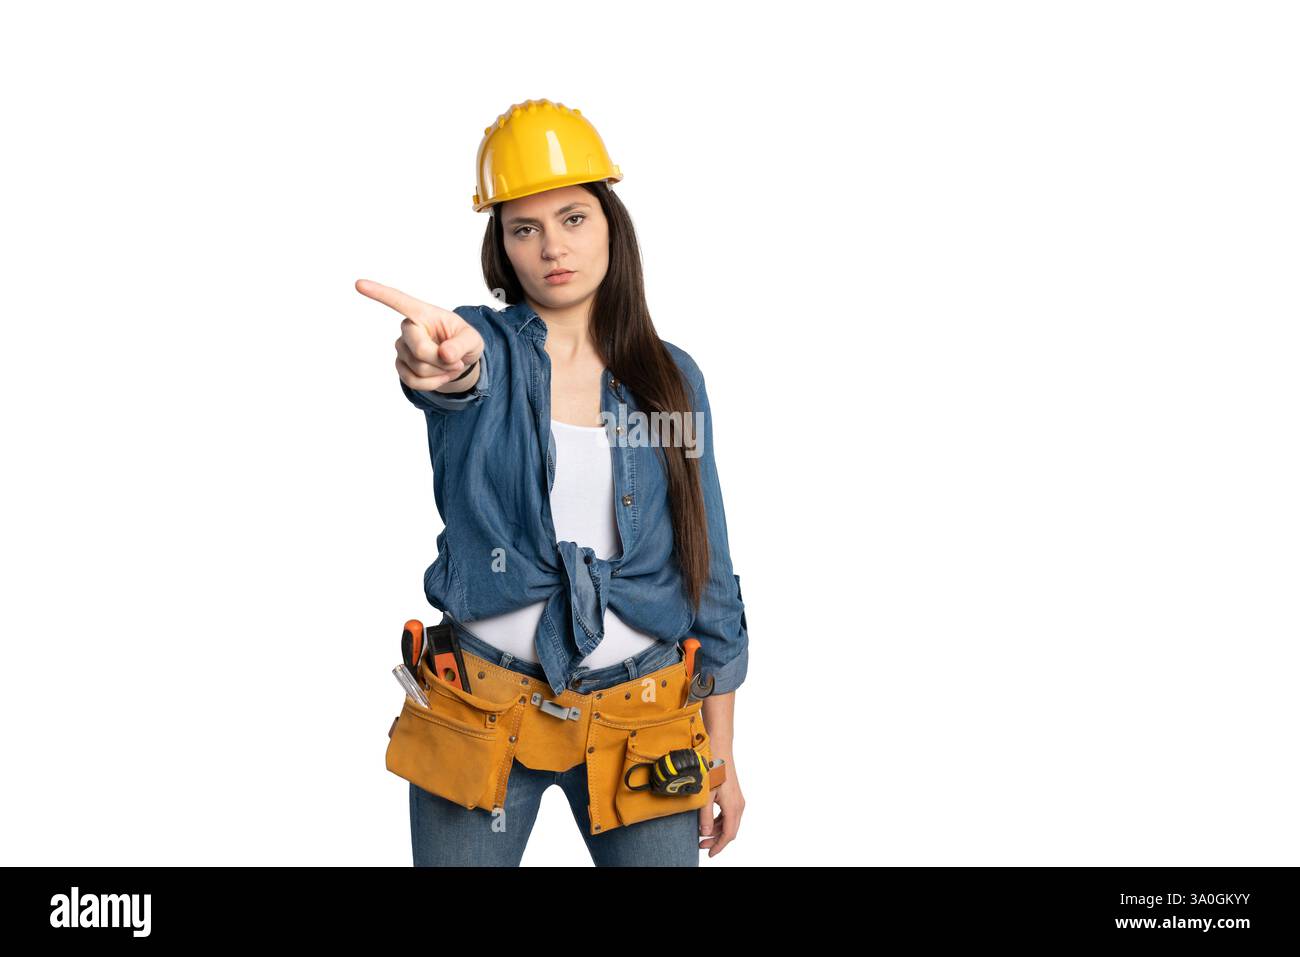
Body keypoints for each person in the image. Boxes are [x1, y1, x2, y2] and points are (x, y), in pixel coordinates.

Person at [357, 99, 748, 866]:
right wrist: (440, 365)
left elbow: (708, 569)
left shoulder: (668, 383)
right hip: (480, 713)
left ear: (611, 224)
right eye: (523, 229)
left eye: (572, 218)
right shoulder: (485, 354)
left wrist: (723, 752)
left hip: (646, 721)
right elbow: (448, 374)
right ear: (501, 248)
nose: (551, 247)